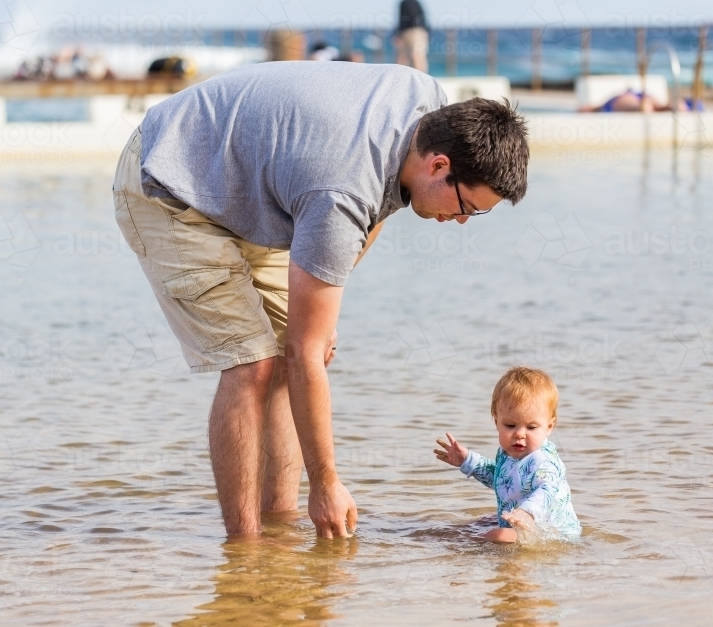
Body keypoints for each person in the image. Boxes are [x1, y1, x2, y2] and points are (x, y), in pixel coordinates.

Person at [113, 61, 529, 538]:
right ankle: (244, 553)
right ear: (439, 166)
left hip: (248, 180)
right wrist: (327, 482)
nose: (460, 222)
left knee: (291, 360)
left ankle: (279, 532)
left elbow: (380, 202)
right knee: (253, 364)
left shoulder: (433, 109)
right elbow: (350, 206)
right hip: (168, 177)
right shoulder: (339, 192)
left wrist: (320, 307)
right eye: (467, 208)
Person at [434, 366, 581, 543]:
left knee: (498, 535)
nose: (519, 434)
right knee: (484, 520)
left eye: (531, 427)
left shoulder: (543, 462)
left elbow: (547, 489)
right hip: (521, 521)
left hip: (552, 533)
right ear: (496, 422)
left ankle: (463, 542)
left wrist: (527, 512)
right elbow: (502, 480)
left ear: (549, 426)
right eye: (510, 426)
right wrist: (467, 460)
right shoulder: (508, 454)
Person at [394, 0, 429, 73]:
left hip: (416, 33)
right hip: (407, 33)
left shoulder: (414, 2)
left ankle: (420, 80)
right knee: (402, 58)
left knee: (417, 56)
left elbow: (422, 17)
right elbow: (401, 19)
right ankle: (401, 79)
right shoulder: (404, 2)